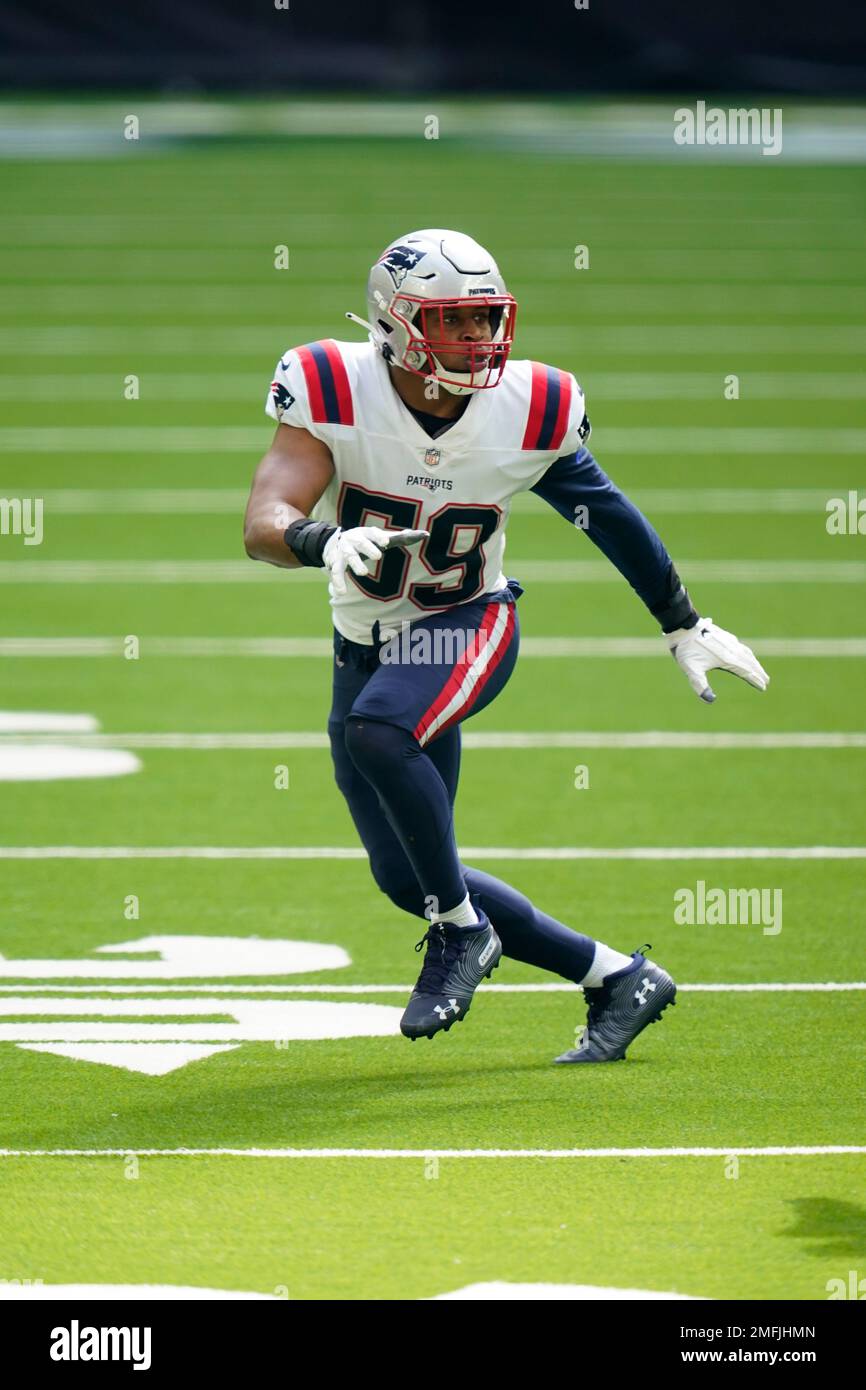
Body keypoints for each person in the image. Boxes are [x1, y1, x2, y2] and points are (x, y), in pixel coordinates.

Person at [243, 228, 768, 1062]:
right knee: (407, 876)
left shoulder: (529, 405)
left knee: (382, 737)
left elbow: (610, 517)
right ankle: (614, 978)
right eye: (454, 322)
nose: (479, 339)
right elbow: (263, 522)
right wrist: (318, 539)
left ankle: (460, 935)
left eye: (486, 319)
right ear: (396, 323)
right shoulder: (331, 382)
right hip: (366, 645)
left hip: (469, 624)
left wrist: (682, 621)